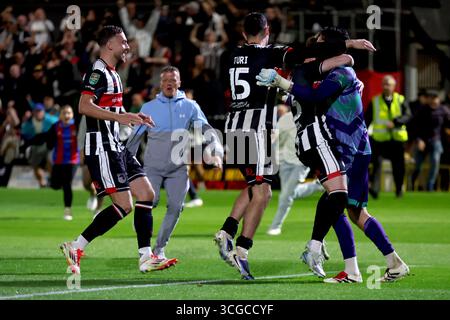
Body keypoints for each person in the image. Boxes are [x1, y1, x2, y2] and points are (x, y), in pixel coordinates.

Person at [214, 12, 375, 280]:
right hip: (257, 128)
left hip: (233, 126)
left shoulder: (229, 55)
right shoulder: (272, 53)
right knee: (263, 194)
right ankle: (241, 251)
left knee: (255, 187)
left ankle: (227, 231)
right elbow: (308, 52)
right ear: (267, 32)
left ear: (243, 34)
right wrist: (349, 44)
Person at [256, 26, 409, 283]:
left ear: (328, 45)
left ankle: (345, 265)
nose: (315, 46)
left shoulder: (341, 74)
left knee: (335, 200)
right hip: (356, 147)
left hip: (348, 147)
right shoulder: (338, 70)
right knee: (356, 212)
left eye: (320, 41)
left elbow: (315, 95)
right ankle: (394, 263)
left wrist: (284, 82)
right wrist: (349, 47)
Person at [60, 25, 176, 275]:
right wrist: (120, 119)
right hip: (101, 147)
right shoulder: (97, 72)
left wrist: (131, 116)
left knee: (146, 194)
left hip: (116, 145)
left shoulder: (115, 74)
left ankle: (146, 257)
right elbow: (83, 106)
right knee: (124, 205)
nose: (127, 46)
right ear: (109, 45)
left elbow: (111, 111)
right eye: (123, 42)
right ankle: (76, 246)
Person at [127, 65, 223, 260]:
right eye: (165, 80)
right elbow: (134, 140)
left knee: (176, 207)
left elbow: (206, 129)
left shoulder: (190, 106)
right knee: (147, 204)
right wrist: (126, 165)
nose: (169, 83)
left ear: (179, 83)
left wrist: (216, 152)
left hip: (178, 168)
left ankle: (159, 248)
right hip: (152, 168)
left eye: (173, 80)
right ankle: (144, 248)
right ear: (160, 84)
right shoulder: (148, 108)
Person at [266, 104, 323, 236]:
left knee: (285, 195)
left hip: (301, 163)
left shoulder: (312, 118)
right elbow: (275, 137)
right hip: (284, 160)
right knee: (289, 193)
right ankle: (316, 186)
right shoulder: (285, 118)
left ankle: (276, 226)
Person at [22, 106, 79, 221]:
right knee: (55, 186)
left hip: (72, 161)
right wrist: (26, 144)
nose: (67, 115)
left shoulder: (77, 127)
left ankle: (68, 210)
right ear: (60, 115)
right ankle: (51, 181)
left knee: (67, 184)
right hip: (58, 161)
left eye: (69, 113)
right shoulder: (56, 127)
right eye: (64, 113)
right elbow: (43, 137)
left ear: (72, 115)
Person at [366, 75, 412, 198]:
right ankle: (375, 190)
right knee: (376, 165)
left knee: (399, 166)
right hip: (380, 140)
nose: (386, 87)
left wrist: (396, 122)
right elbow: (367, 119)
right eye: (384, 84)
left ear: (394, 86)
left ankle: (398, 190)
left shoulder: (401, 100)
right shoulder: (375, 101)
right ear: (381, 86)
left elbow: (408, 116)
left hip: (397, 140)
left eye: (389, 84)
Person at [411, 91, 450, 191]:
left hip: (436, 140)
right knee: (418, 165)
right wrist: (418, 140)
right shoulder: (422, 110)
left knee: (435, 162)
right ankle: (412, 183)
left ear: (438, 99)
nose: (434, 100)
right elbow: (414, 127)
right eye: (431, 98)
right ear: (428, 99)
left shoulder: (444, 110)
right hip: (422, 141)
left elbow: (447, 124)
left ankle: (430, 187)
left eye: (435, 98)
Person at [21, 103, 58, 188]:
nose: (38, 113)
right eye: (36, 111)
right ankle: (42, 183)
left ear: (43, 112)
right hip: (35, 145)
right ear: (33, 112)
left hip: (49, 145)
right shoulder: (29, 122)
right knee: (35, 166)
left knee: (50, 162)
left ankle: (52, 179)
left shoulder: (50, 119)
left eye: (40, 111)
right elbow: (24, 132)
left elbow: (60, 122)